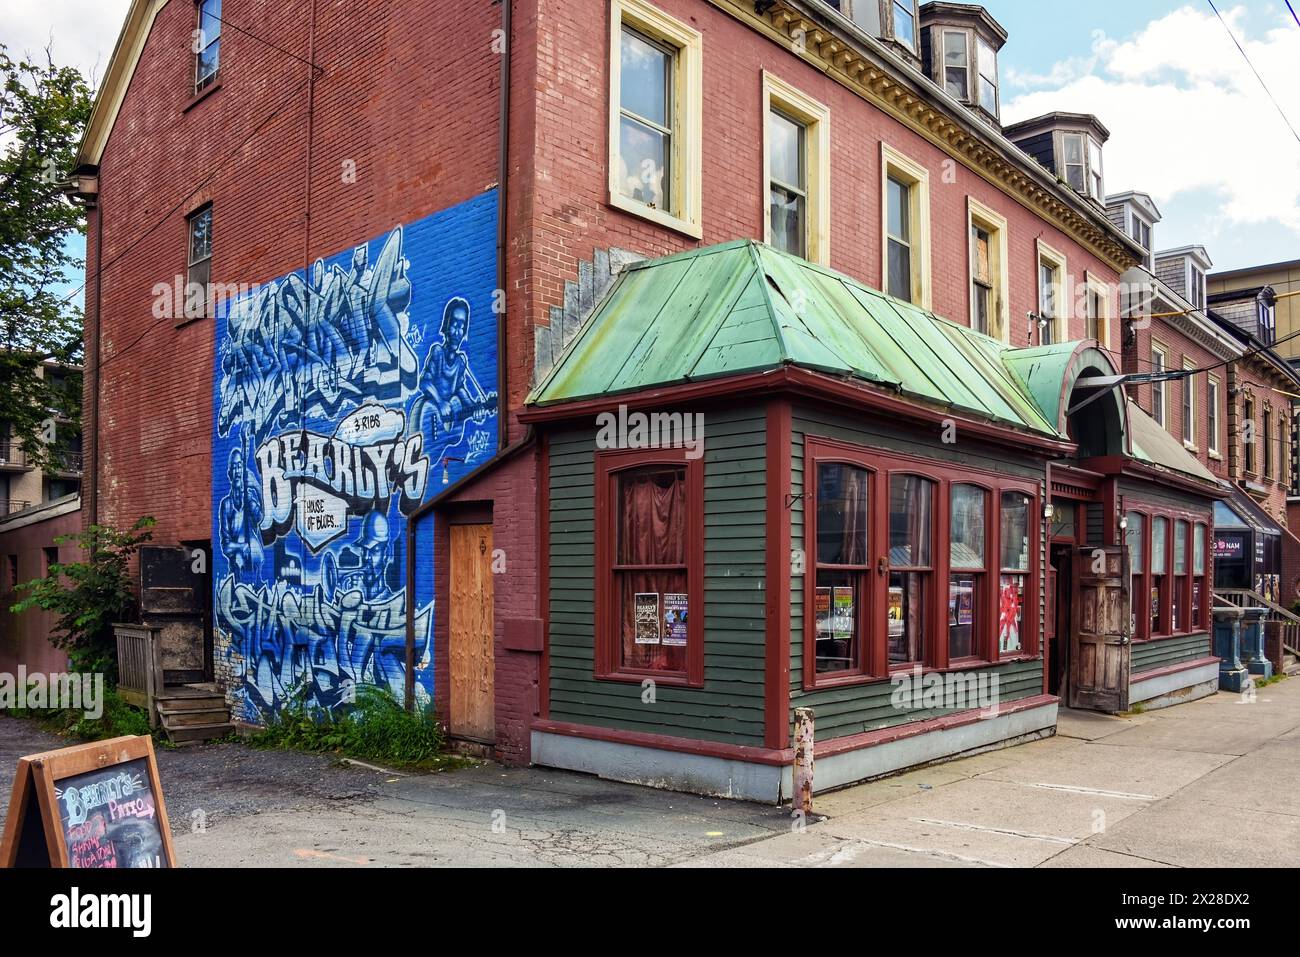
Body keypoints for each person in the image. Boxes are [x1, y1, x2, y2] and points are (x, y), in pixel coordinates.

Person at [219, 446, 264, 580]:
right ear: (229, 473)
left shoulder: (249, 497)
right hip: (236, 573)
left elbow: (260, 518)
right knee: (238, 559)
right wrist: (241, 547)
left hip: (254, 562)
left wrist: (256, 486)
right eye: (234, 467)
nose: (237, 471)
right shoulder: (226, 505)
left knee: (256, 552)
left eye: (240, 466)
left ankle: (257, 578)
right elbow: (225, 546)